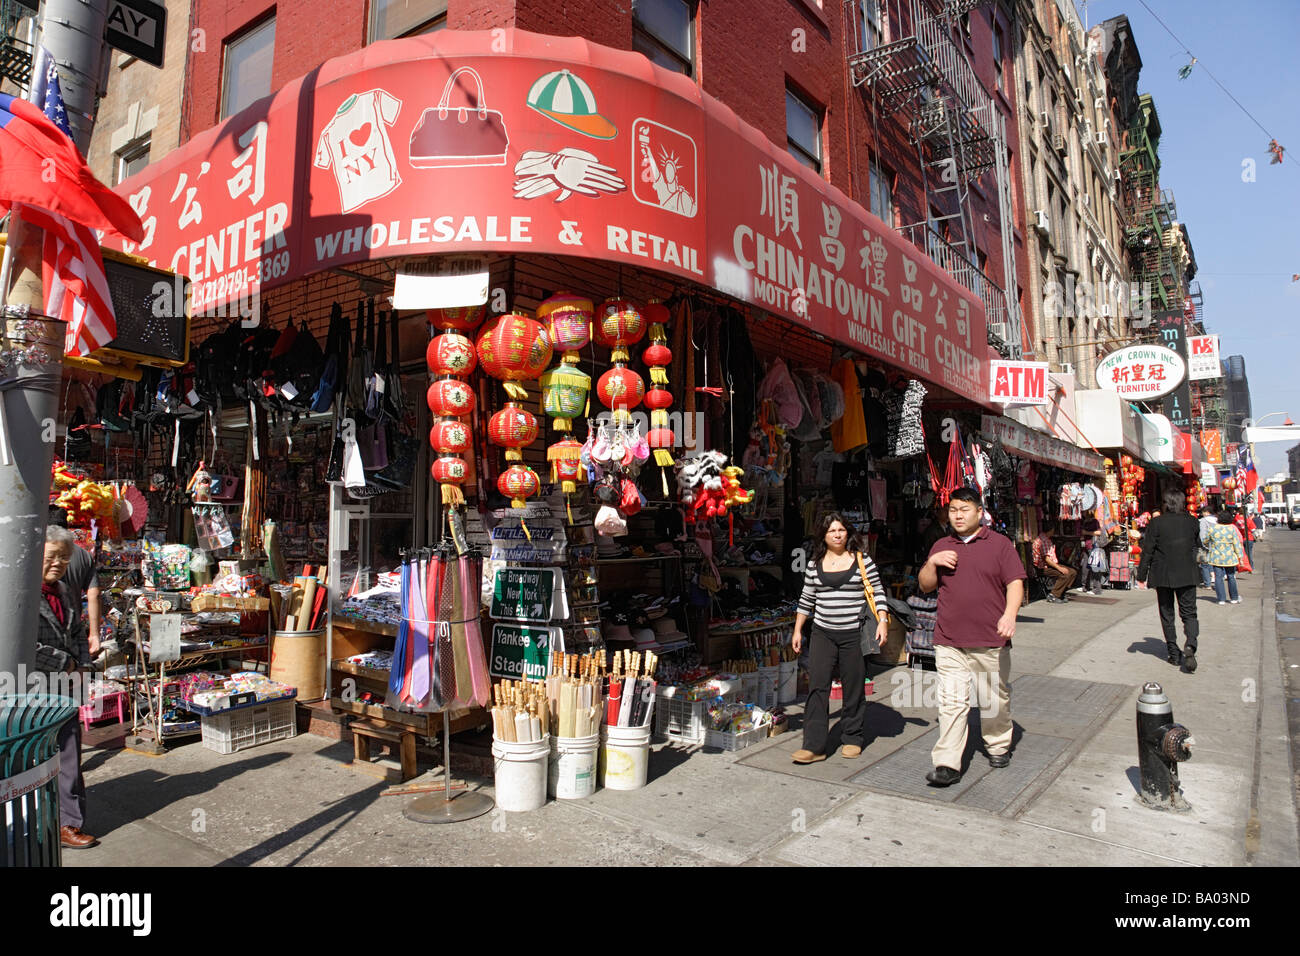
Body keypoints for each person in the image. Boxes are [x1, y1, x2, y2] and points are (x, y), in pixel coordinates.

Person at [918, 488, 1025, 786]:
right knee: (951, 702)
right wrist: (932, 563)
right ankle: (947, 763)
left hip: (990, 639)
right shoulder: (941, 544)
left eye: (964, 509)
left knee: (993, 699)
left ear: (979, 512)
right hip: (949, 638)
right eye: (953, 510)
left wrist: (1009, 614)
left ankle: (998, 744)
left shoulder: (1000, 544)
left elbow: (1015, 583)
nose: (958, 515)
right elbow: (925, 586)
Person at [791, 513, 889, 764]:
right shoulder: (814, 564)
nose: (837, 534)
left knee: (853, 687)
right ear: (823, 536)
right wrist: (798, 629)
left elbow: (877, 591)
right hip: (823, 633)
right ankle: (814, 746)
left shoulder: (862, 560)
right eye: (831, 531)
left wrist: (883, 620)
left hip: (852, 634)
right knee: (817, 687)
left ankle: (852, 738)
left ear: (848, 533)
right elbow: (807, 599)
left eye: (841, 530)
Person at [35, 525, 97, 849]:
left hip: (65, 687)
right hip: (29, 688)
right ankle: (40, 821)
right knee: (34, 759)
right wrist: (66, 663)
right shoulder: (20, 593)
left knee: (70, 753)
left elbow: (79, 632)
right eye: (52, 556)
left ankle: (69, 823)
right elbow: (24, 646)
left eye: (64, 557)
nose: (58, 563)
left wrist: (84, 666)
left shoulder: (65, 591)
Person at [1135, 490, 1202, 671]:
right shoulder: (1192, 521)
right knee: (1189, 613)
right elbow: (1198, 547)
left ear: (1165, 503)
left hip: (1163, 574)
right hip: (1187, 573)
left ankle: (1174, 653)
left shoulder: (1157, 523)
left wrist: (1141, 575)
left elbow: (1147, 550)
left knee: (1167, 614)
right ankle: (1191, 644)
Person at [48, 508, 101, 660]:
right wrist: (94, 634)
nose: (57, 563)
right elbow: (94, 594)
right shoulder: (84, 554)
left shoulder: (38, 551)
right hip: (72, 631)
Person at [1204, 510, 1245, 607]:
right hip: (1230, 556)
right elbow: (1236, 543)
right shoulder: (1231, 529)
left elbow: (1205, 540)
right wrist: (1240, 557)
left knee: (1218, 577)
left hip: (1216, 556)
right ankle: (1234, 598)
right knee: (1231, 577)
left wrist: (1210, 546)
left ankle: (1221, 599)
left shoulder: (1212, 528)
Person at [1031, 522, 1076, 603]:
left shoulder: (1045, 539)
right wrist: (1059, 568)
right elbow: (1046, 559)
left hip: (1049, 565)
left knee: (1073, 572)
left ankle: (1061, 592)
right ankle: (1054, 595)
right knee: (1065, 574)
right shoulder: (1043, 540)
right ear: (1051, 530)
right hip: (1043, 567)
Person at [1197, 506, 1217, 589]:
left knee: (1204, 565)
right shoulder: (1217, 520)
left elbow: (1202, 534)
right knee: (1216, 565)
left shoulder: (1203, 521)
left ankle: (1207, 584)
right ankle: (1217, 583)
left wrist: (1204, 545)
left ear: (1206, 512)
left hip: (1205, 545)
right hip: (1217, 545)